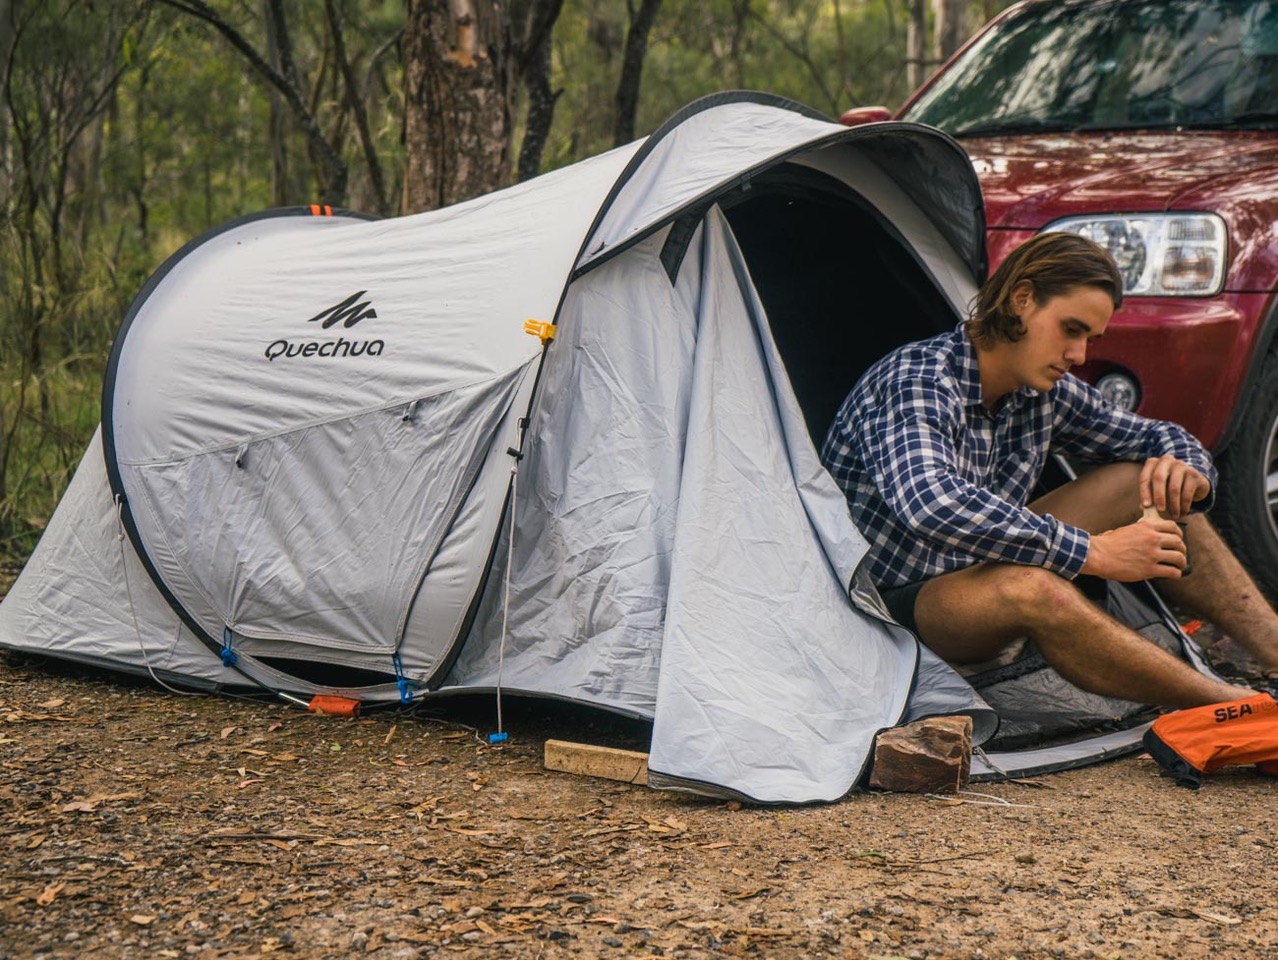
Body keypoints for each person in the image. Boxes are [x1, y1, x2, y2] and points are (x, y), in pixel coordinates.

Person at [821, 231, 1278, 708]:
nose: (1080, 355)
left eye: (1090, 338)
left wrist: (1189, 468)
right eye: (1071, 329)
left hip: (978, 569)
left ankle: (1276, 653)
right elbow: (932, 505)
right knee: (1034, 588)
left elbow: (1152, 437)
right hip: (891, 609)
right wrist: (1091, 552)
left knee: (1148, 480)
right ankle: (1233, 706)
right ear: (1022, 300)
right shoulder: (917, 380)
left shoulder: (1041, 391)